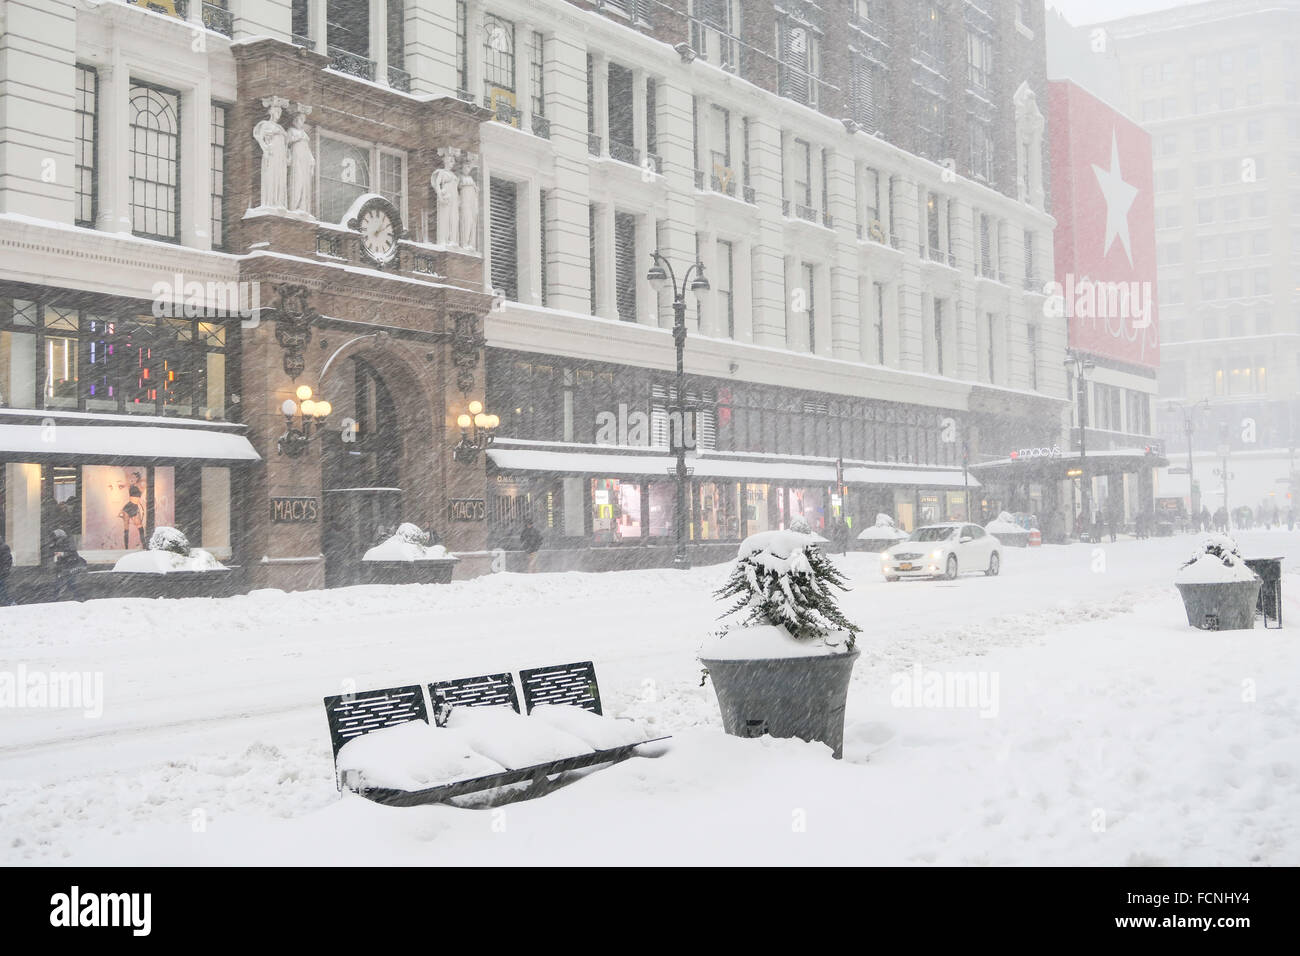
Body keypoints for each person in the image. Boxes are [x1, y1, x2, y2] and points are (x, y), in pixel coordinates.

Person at [50, 529, 86, 603]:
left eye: (55, 536)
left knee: (67, 583)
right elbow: (56, 555)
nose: (54, 538)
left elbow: (72, 554)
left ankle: (58, 598)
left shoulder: (67, 542)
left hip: (69, 567)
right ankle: (77, 597)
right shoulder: (57, 543)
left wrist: (62, 554)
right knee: (68, 584)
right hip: (64, 568)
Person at [0, 538, 13, 606]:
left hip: (1, 573)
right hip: (2, 572)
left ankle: (9, 603)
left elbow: (8, 560)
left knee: (2, 591)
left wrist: (5, 570)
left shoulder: (3, 547)